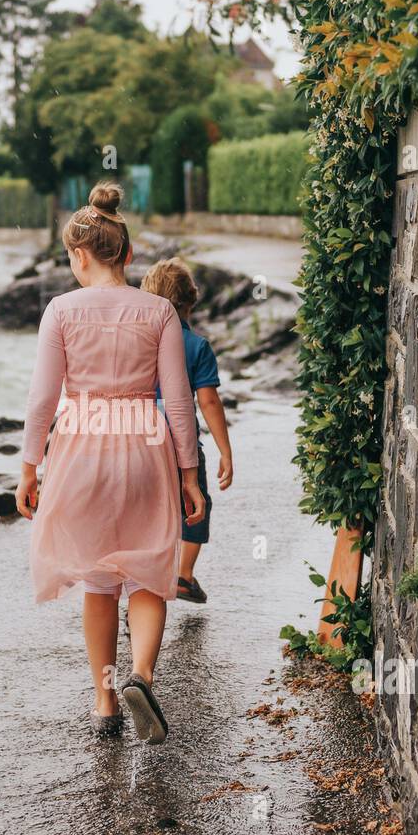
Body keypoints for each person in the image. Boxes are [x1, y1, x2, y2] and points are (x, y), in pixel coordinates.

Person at [15, 183, 205, 745]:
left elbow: (42, 400)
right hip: (146, 450)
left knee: (99, 583)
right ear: (127, 253)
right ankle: (141, 677)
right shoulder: (160, 312)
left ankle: (104, 700)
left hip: (81, 449)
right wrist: (189, 472)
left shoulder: (61, 311)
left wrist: (30, 468)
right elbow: (177, 400)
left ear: (78, 255)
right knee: (150, 574)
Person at [140, 257, 234, 603]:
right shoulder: (197, 347)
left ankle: (141, 582)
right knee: (196, 505)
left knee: (144, 510)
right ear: (190, 303)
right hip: (181, 442)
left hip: (137, 438)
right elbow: (209, 402)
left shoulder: (137, 341)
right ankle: (183, 575)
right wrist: (225, 450)